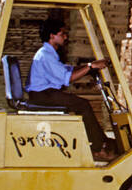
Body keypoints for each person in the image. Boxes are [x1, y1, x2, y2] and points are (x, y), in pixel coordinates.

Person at [26, 18, 114, 161]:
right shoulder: (45, 55)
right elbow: (69, 77)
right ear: (52, 36)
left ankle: (103, 141)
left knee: (79, 103)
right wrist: (90, 66)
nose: (65, 37)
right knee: (83, 105)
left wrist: (88, 67)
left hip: (46, 92)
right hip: (42, 95)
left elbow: (68, 69)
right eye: (62, 34)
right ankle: (98, 149)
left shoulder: (49, 53)